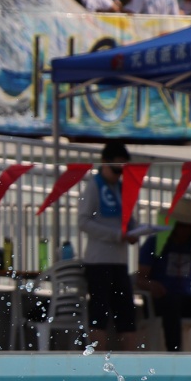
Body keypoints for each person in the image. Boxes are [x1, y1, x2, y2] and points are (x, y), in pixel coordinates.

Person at [78, 139, 141, 350]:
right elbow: (83, 221)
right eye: (116, 165)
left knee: (126, 314)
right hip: (98, 261)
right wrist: (115, 235)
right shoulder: (94, 186)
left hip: (120, 261)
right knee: (99, 312)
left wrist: (134, 232)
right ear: (105, 162)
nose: (119, 172)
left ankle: (130, 363)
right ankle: (98, 361)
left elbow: (128, 220)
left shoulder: (122, 189)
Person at [136, 198, 191, 351]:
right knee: (171, 303)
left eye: (189, 226)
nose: (185, 230)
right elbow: (140, 278)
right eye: (181, 225)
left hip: (185, 299)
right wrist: (151, 285)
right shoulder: (154, 243)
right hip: (160, 300)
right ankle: (174, 353)